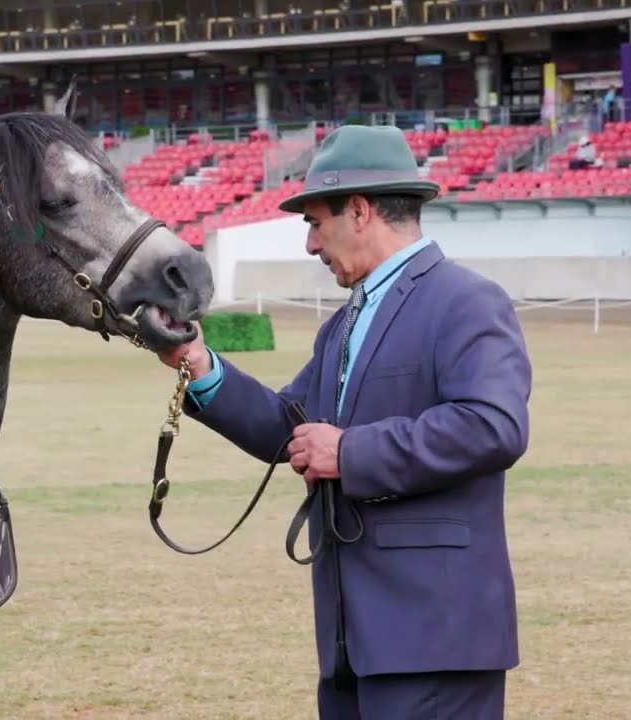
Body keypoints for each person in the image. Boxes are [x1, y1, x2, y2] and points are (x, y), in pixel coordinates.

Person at [156, 124, 532, 719]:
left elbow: (493, 426)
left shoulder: (467, 301)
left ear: (358, 211)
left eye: (315, 221)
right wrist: (197, 365)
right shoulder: (344, 321)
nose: (310, 244)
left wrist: (351, 452)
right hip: (353, 640)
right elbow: (288, 425)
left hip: (435, 638)